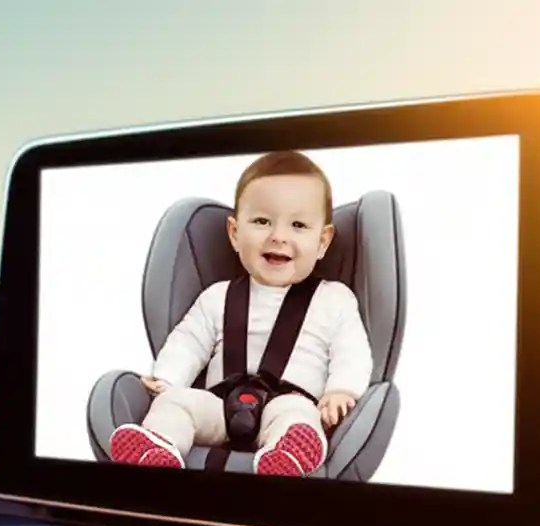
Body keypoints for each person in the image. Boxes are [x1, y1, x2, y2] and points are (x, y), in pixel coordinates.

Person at [108, 150, 374, 476]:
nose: (278, 236)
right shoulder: (216, 297)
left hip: (288, 401)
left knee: (298, 414)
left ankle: (287, 455)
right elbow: (188, 342)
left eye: (299, 225)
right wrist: (167, 378)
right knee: (174, 404)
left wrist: (341, 390)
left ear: (323, 241)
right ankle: (157, 449)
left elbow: (352, 351)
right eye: (262, 221)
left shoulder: (334, 299)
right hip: (220, 407)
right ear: (235, 233)